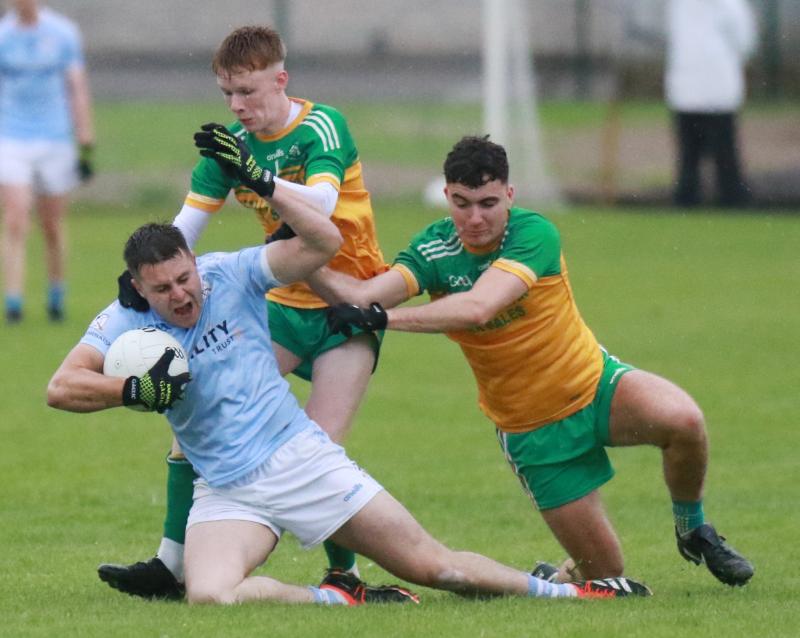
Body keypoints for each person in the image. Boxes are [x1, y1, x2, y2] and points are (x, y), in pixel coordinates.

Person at [45, 220, 651, 601]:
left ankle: (576, 594)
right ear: (138, 287)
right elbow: (60, 387)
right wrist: (130, 391)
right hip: (225, 490)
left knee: (439, 569)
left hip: (298, 459)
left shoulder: (230, 274)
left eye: (183, 279)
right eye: (161, 289)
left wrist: (264, 184)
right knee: (211, 596)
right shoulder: (126, 318)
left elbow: (323, 243)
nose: (179, 295)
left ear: (191, 264)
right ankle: (341, 598)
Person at [318, 135, 754, 587]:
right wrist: (299, 249)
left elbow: (478, 307)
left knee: (683, 421)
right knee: (606, 574)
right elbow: (363, 296)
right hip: (534, 430)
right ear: (446, 195)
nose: (475, 218)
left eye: (488, 203)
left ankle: (693, 529)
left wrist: (380, 317)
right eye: (462, 203)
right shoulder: (433, 249)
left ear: (510, 194)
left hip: (597, 387)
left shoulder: (533, 233)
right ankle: (548, 580)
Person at [100, 25, 387, 599]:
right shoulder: (230, 145)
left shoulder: (320, 125)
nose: (238, 106)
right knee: (192, 403)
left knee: (316, 445)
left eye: (249, 92)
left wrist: (258, 177)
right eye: (228, 94)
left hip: (347, 307)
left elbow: (324, 207)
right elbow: (186, 226)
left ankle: (345, 576)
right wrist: (140, 278)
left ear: (280, 79)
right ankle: (171, 563)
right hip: (278, 304)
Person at [0, 0, 94, 323]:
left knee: (51, 224)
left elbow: (76, 87)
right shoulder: (3, 36)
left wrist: (85, 138)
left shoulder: (63, 33)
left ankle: (56, 294)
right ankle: (13, 301)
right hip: (11, 136)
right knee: (15, 218)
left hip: (54, 137)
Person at [666, 0, 757, 207]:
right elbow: (745, 40)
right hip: (711, 88)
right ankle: (729, 198)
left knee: (691, 155)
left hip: (693, 89)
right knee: (720, 153)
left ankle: (690, 199)